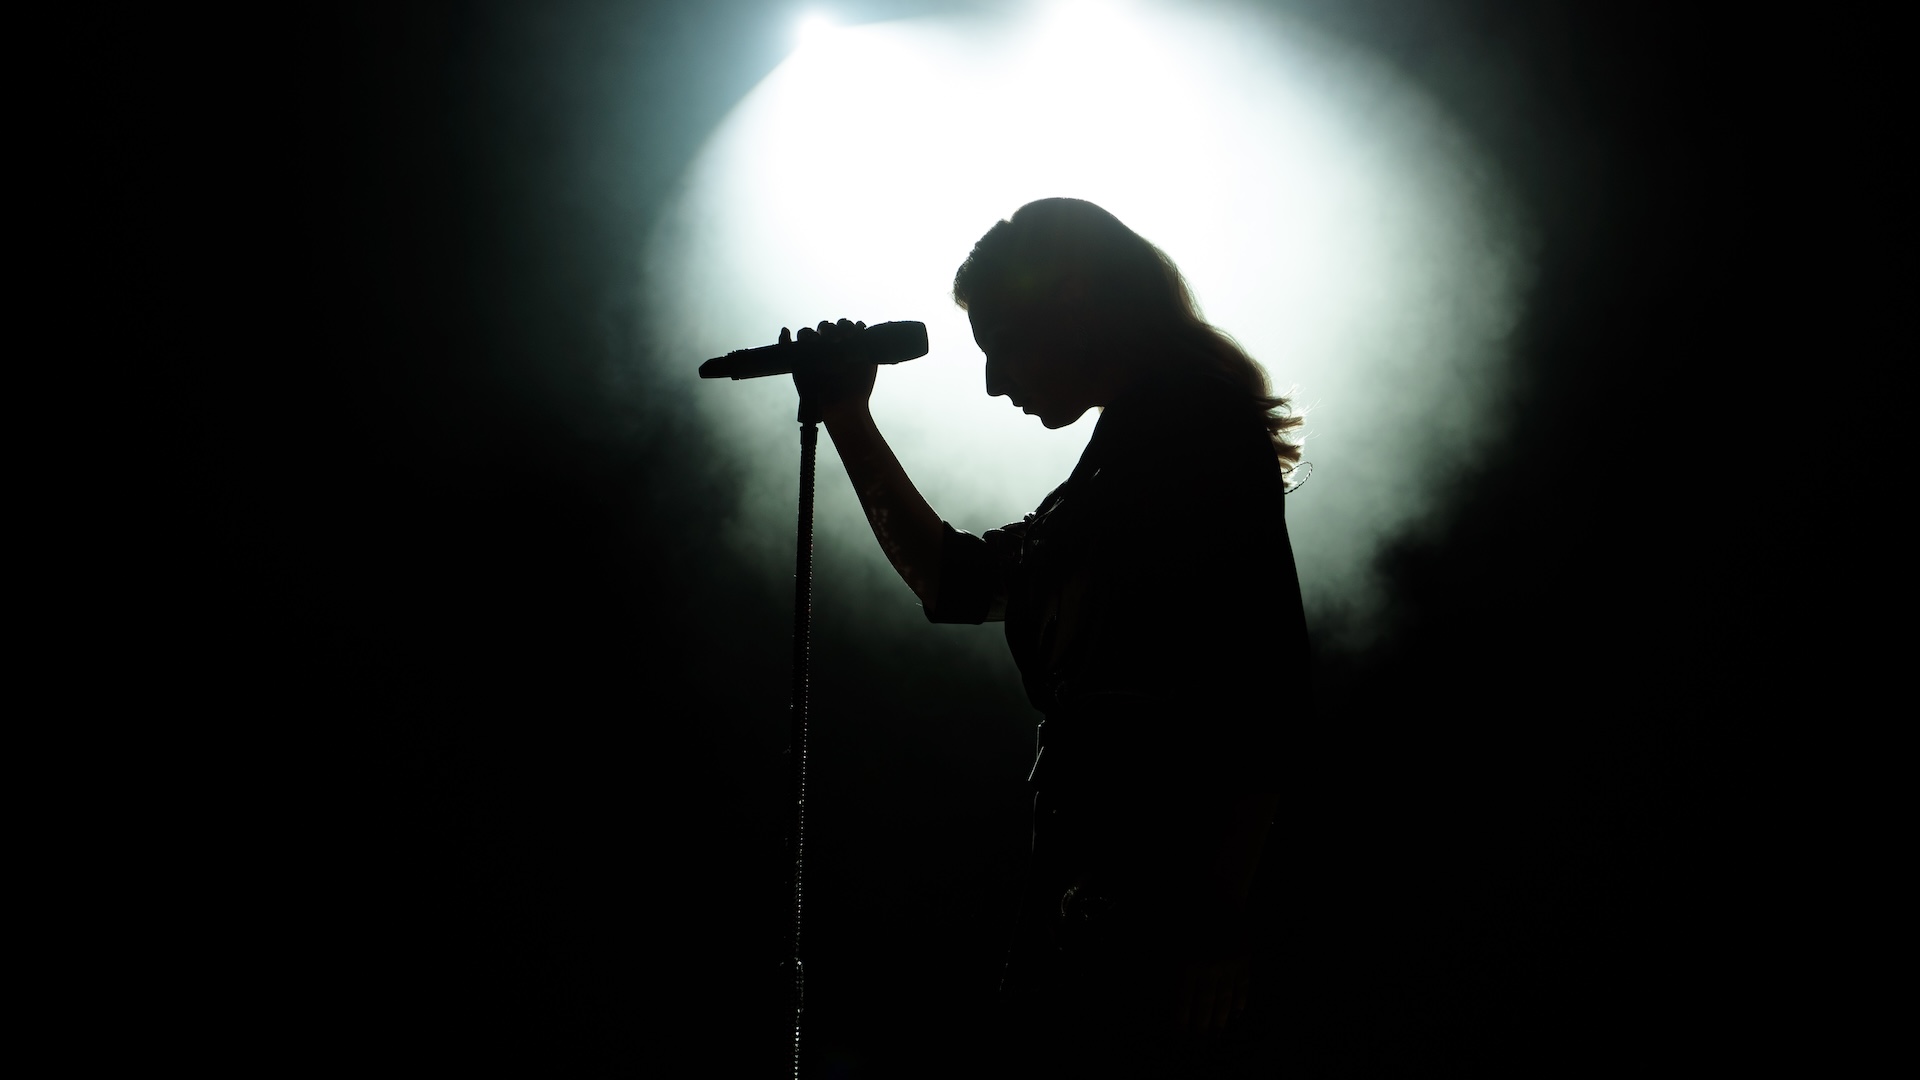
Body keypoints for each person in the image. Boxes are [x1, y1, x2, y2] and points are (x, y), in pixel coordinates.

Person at [791, 197, 1310, 1076]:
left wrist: (1219, 916)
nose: (994, 381)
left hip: (1155, 914)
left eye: (1001, 342)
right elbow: (957, 584)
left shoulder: (1190, 428)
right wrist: (846, 414)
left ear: (1072, 298)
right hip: (1103, 903)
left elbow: (1266, 677)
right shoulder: (1135, 444)